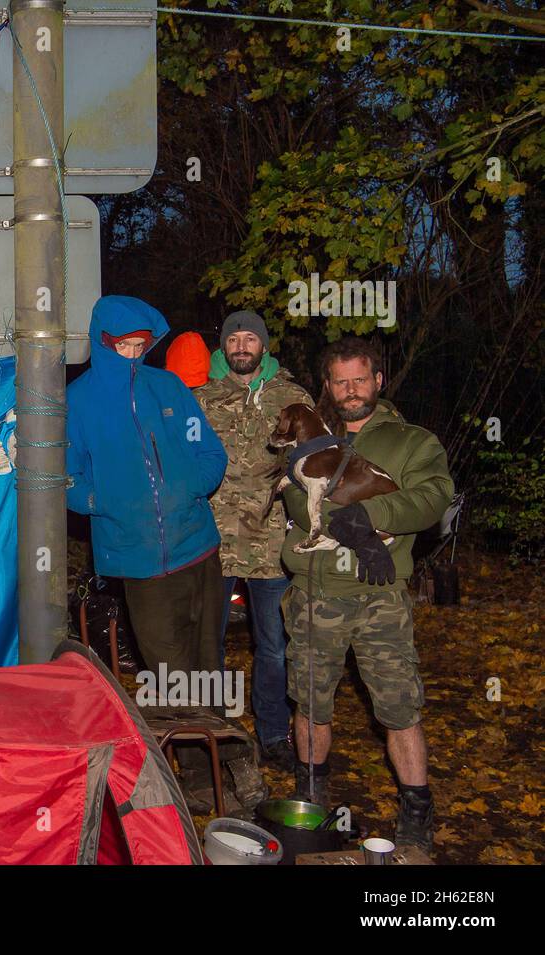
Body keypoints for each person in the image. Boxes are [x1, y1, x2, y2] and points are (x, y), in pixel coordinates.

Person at [280, 336, 453, 854]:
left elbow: (432, 497)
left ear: (379, 380)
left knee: (400, 707)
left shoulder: (411, 441)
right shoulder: (310, 436)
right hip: (315, 592)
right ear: (327, 387)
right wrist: (342, 520)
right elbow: (293, 492)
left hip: (379, 595)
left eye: (360, 379)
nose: (351, 390)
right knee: (310, 703)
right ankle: (310, 799)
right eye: (340, 381)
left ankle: (416, 809)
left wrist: (372, 514)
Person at [66, 295, 229, 682]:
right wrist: (100, 501)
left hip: (197, 545)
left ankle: (217, 742)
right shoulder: (77, 400)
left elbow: (210, 452)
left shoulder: (168, 386)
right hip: (136, 557)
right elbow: (65, 478)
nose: (133, 355)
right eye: (124, 346)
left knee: (209, 666)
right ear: (104, 341)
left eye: (140, 346)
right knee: (170, 671)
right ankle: (181, 738)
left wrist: (190, 487)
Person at [196, 310, 312, 773]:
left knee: (275, 643)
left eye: (250, 338)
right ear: (223, 346)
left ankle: (272, 734)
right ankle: (217, 733)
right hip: (213, 539)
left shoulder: (292, 396)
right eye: (234, 338)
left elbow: (311, 462)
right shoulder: (200, 399)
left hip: (271, 541)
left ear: (264, 346)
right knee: (210, 640)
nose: (241, 346)